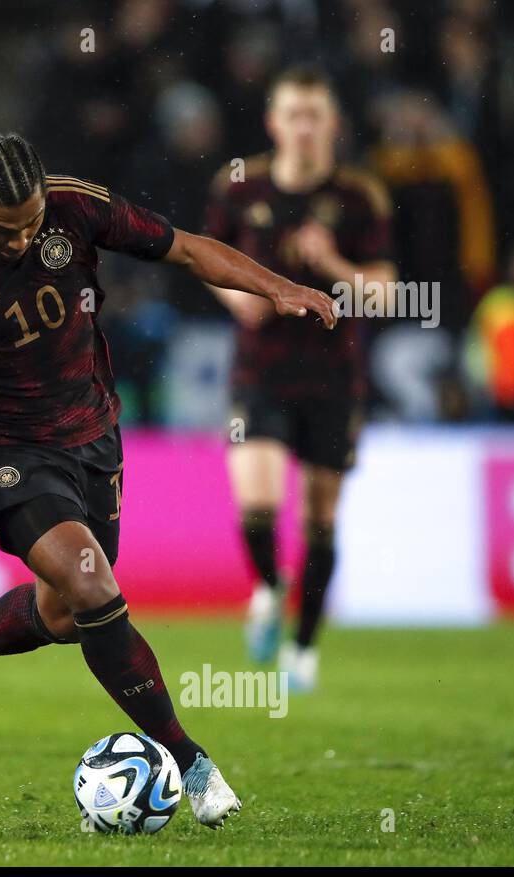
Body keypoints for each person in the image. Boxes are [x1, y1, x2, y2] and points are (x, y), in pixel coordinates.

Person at [0, 132, 337, 827]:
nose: (23, 239)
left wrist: (276, 286)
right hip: (3, 448)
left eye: (32, 223)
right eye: (5, 231)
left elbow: (184, 247)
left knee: (68, 614)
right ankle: (192, 764)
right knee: (95, 586)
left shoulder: (75, 207)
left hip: (94, 438)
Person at [202, 67, 396, 690]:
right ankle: (266, 585)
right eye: (294, 115)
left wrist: (332, 262)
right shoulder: (237, 186)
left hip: (333, 379)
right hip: (259, 372)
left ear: (333, 125)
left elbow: (388, 294)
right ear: (273, 122)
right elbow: (202, 257)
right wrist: (237, 299)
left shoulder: (360, 196)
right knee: (257, 504)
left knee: (321, 519)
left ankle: (304, 649)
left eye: (316, 115)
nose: (305, 127)